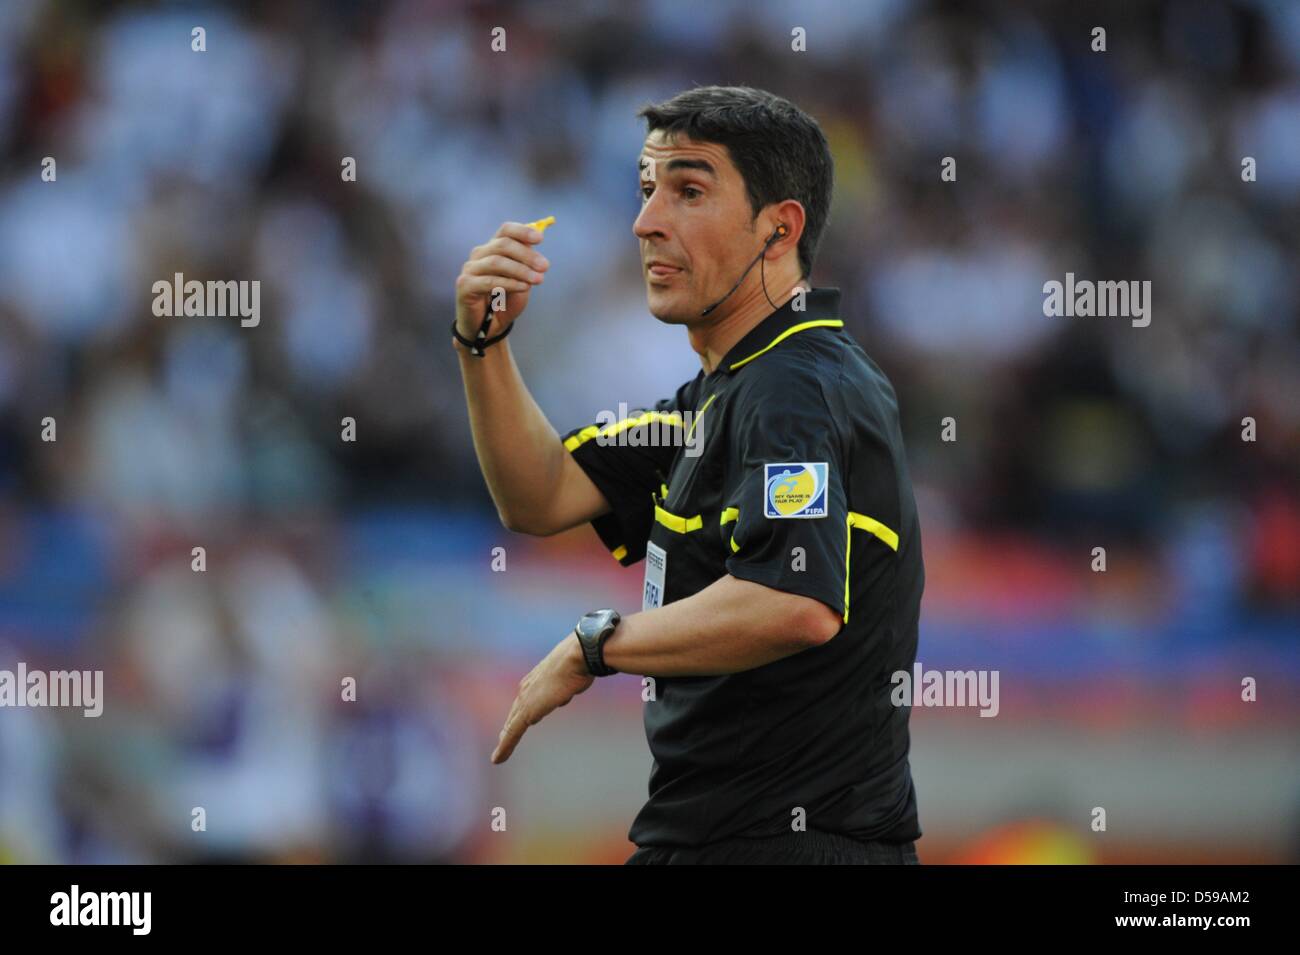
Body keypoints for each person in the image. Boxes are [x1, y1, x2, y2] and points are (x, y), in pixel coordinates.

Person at [453, 85, 923, 865]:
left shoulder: (793, 385)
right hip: (716, 838)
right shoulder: (723, 396)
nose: (646, 223)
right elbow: (539, 496)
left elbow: (795, 599)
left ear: (781, 227)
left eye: (689, 191)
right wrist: (483, 346)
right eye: (647, 190)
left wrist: (595, 645)